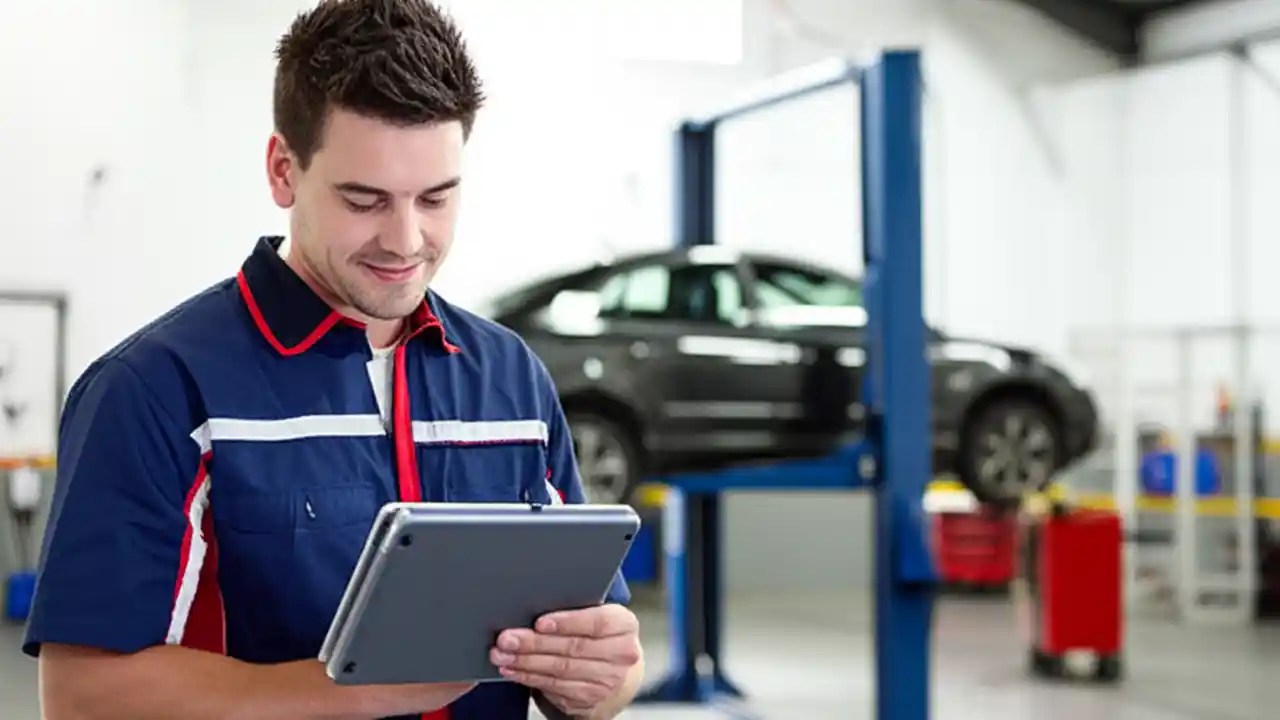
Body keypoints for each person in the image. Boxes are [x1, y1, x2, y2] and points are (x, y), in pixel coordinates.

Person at [23, 1, 645, 718]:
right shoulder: (154, 391)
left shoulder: (511, 380)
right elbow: (82, 698)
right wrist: (356, 684)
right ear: (283, 171)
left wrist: (601, 677)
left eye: (436, 198)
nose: (406, 240)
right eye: (364, 199)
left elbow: (596, 658)